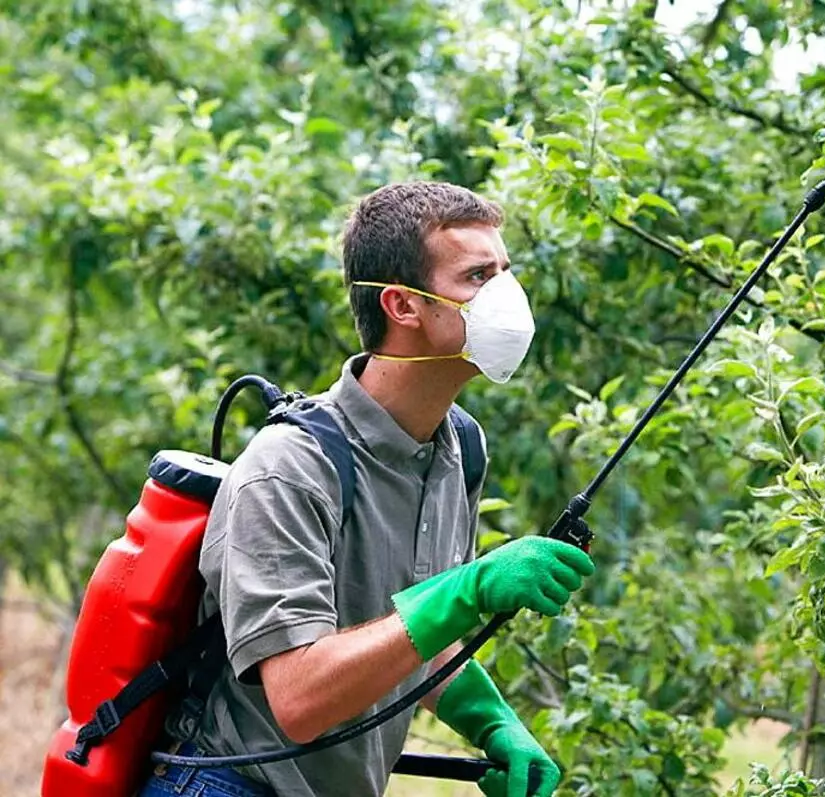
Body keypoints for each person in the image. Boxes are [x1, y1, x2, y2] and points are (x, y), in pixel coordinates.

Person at [139, 182, 595, 797]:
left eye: (505, 271)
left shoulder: (459, 446)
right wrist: (472, 586)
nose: (507, 298)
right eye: (478, 276)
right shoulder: (289, 467)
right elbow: (300, 699)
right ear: (403, 306)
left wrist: (494, 723)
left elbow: (407, 636)